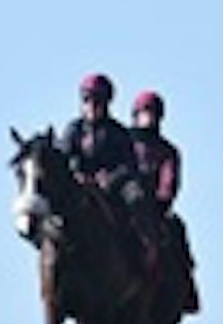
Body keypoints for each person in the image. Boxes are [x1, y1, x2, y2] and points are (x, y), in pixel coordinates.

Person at [60, 73, 156, 270]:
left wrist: (109, 179)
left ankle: (146, 247)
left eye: (98, 101)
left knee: (136, 196)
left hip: (113, 187)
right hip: (81, 185)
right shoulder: (73, 130)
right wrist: (76, 174)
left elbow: (129, 165)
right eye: (88, 100)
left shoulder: (118, 133)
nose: (92, 106)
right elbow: (64, 158)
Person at [131, 90, 200, 313]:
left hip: (153, 208)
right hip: (123, 202)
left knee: (176, 230)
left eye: (153, 114)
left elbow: (169, 180)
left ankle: (186, 289)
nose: (148, 118)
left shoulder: (168, 151)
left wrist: (162, 199)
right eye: (145, 113)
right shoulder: (124, 143)